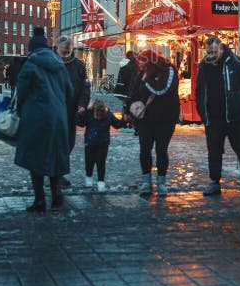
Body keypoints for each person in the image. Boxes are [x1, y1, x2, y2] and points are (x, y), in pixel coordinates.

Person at [15, 27, 75, 212]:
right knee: (55, 155)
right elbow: (70, 92)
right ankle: (56, 195)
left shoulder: (31, 63)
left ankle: (40, 199)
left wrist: (20, 111)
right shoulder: (59, 65)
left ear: (31, 49)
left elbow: (21, 92)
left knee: (36, 157)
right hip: (58, 117)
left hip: (37, 117)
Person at [195, 36, 240, 196]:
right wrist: (202, 113)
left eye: (214, 52)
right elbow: (200, 90)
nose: (211, 55)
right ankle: (214, 182)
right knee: (214, 151)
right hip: (213, 119)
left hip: (236, 118)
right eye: (208, 52)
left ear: (221, 48)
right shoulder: (204, 66)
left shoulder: (237, 63)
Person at [123, 49, 180, 196]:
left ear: (150, 62)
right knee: (145, 148)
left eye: (142, 63)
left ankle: (161, 182)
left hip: (165, 118)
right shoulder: (141, 73)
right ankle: (146, 182)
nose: (139, 66)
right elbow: (133, 91)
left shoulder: (169, 70)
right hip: (145, 119)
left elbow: (163, 90)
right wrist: (128, 109)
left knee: (161, 149)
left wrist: (147, 80)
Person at [55, 35, 91, 159]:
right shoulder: (51, 63)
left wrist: (82, 104)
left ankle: (62, 162)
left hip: (72, 109)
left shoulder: (79, 65)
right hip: (54, 108)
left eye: (68, 51)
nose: (65, 53)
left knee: (69, 139)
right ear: (57, 49)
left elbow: (85, 87)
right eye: (63, 51)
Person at [77, 98, 125, 191]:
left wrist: (125, 120)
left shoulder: (108, 115)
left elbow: (117, 124)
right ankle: (89, 179)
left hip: (102, 144)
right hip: (91, 143)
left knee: (100, 163)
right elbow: (81, 123)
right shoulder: (89, 114)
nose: (98, 117)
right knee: (89, 163)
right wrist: (79, 114)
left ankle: (100, 182)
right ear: (94, 111)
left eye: (100, 115)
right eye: (97, 115)